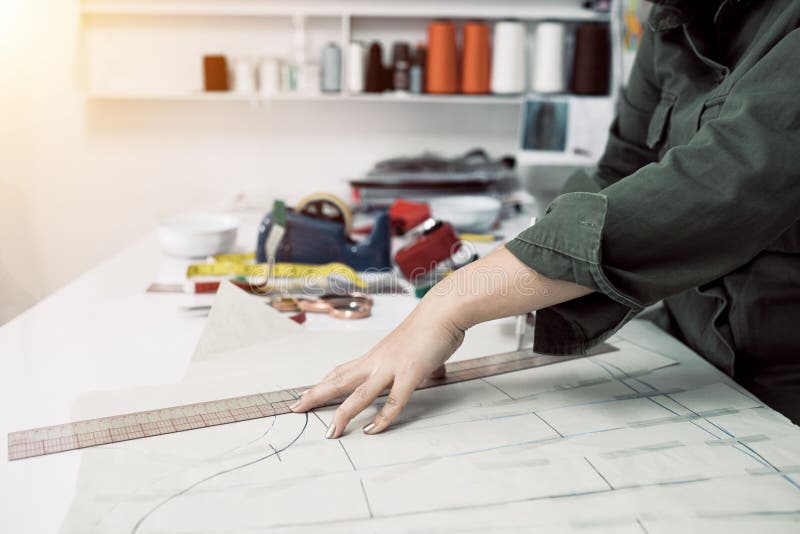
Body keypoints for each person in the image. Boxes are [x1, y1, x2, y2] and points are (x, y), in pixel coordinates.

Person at [291, 0, 800, 435]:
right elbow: (619, 169)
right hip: (686, 362)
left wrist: (454, 301)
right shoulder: (672, 15)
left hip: (781, 387)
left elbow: (721, 182)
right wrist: (517, 278)